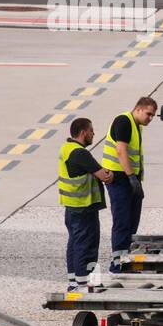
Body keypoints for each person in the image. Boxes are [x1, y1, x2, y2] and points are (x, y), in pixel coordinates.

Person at [101, 96, 157, 272]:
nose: (150, 118)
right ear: (138, 109)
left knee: (132, 221)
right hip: (119, 179)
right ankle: (117, 263)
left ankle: (127, 258)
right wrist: (131, 176)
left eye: (153, 116)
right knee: (122, 221)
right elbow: (120, 150)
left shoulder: (136, 126)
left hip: (130, 179)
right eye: (148, 114)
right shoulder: (124, 121)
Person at [58, 118, 113, 288]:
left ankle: (74, 281)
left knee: (75, 243)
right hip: (84, 207)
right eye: (91, 131)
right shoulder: (80, 153)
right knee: (87, 245)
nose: (93, 134)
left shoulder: (66, 148)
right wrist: (112, 175)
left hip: (72, 207)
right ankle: (86, 283)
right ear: (83, 132)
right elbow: (104, 175)